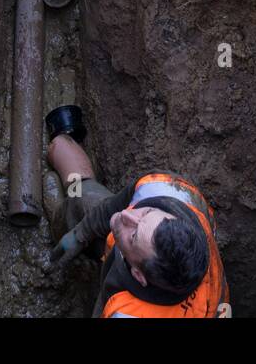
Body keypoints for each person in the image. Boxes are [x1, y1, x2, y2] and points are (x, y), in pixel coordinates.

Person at [46, 110, 231, 318]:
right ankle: (73, 191)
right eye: (147, 212)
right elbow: (114, 208)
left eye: (134, 235)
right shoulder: (166, 190)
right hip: (125, 255)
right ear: (173, 217)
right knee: (81, 196)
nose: (127, 215)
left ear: (138, 276)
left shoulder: (129, 314)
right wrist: (80, 234)